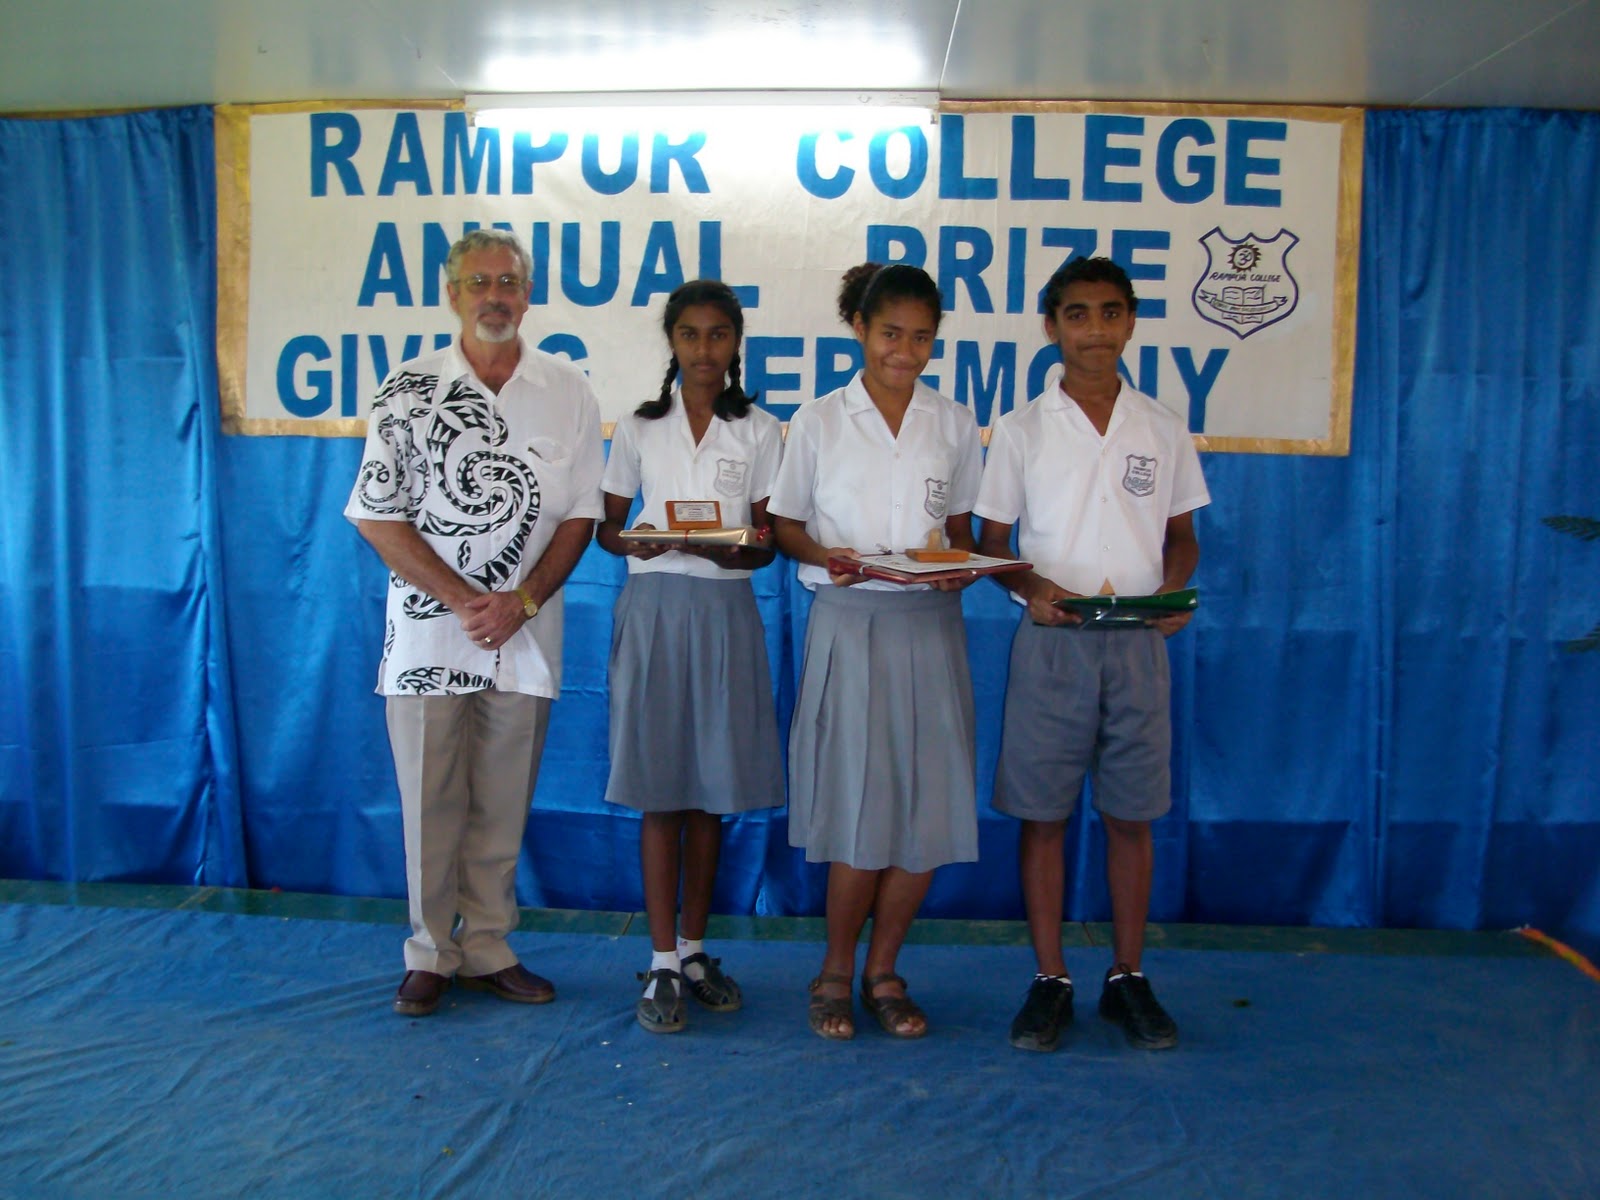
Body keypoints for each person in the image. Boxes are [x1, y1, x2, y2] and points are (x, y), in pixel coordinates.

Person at [345, 228, 605, 1017]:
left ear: (528, 295)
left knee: (501, 801)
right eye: (479, 282)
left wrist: (519, 602)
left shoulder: (568, 391)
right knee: (429, 802)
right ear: (452, 293)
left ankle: (487, 943)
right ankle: (429, 951)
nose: (495, 295)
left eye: (509, 282)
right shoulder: (407, 389)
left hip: (523, 637)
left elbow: (582, 516)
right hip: (429, 638)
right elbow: (377, 516)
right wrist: (464, 598)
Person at [975, 256, 1210, 1052]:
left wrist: (1174, 595)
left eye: (1111, 313)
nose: (1095, 330)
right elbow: (992, 543)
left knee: (1131, 817)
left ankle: (1127, 976)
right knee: (1043, 818)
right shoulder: (1020, 430)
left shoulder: (1163, 426)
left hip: (1140, 643)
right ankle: (1050, 979)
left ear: (1131, 321)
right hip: (1052, 642)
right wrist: (1030, 590)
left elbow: (1182, 538)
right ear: (1051, 327)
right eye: (1077, 314)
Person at [768, 263, 984, 1041]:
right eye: (891, 333)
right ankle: (832, 971)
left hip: (928, 626)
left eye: (922, 337)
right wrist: (828, 556)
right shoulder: (821, 419)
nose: (906, 351)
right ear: (859, 328)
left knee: (924, 807)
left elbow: (959, 531)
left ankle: (884, 970)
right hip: (849, 621)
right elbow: (786, 524)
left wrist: (956, 566)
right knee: (858, 806)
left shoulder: (954, 424)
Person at [596, 280, 785, 1034]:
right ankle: (663, 960)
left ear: (736, 343)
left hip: (725, 613)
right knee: (659, 789)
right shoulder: (641, 428)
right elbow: (609, 529)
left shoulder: (764, 430)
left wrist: (734, 548)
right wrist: (645, 539)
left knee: (712, 791)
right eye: (689, 335)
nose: (704, 349)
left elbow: (763, 544)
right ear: (671, 343)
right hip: (653, 610)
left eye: (718, 335)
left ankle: (699, 950)